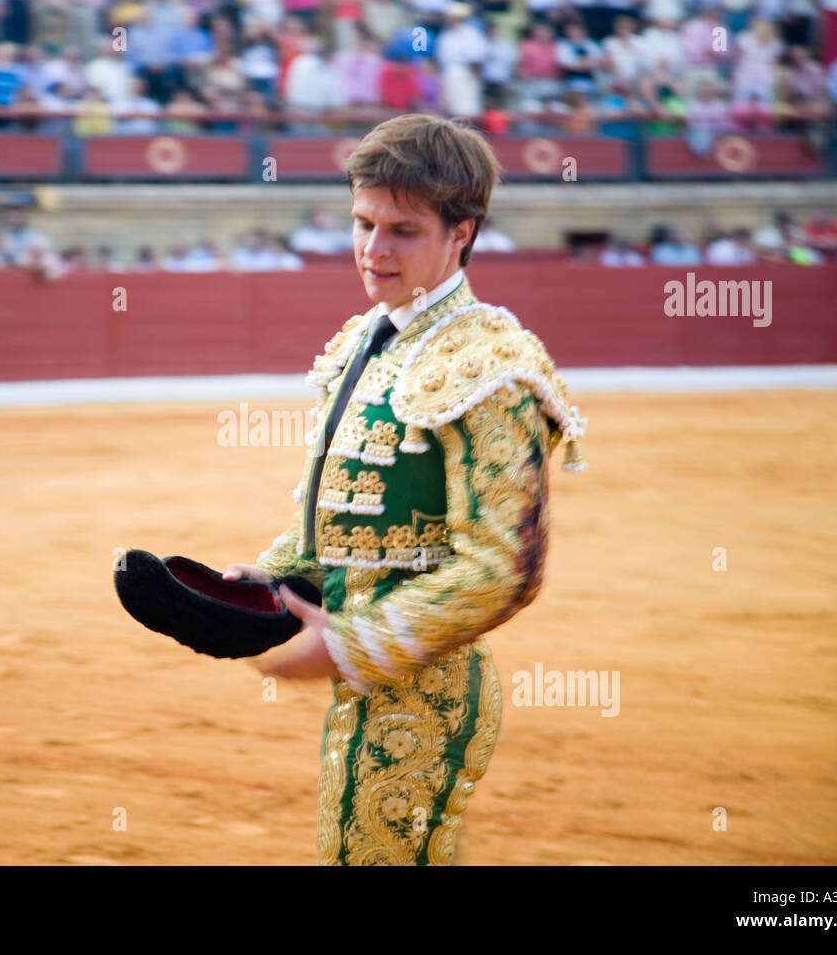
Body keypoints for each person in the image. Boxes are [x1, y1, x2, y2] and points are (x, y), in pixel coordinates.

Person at [221, 114, 586, 867]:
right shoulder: (371, 337)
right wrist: (275, 575)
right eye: (363, 223)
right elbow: (346, 512)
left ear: (462, 233)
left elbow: (504, 568)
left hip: (428, 686)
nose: (373, 249)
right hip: (377, 677)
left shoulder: (491, 361)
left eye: (403, 230)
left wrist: (352, 646)